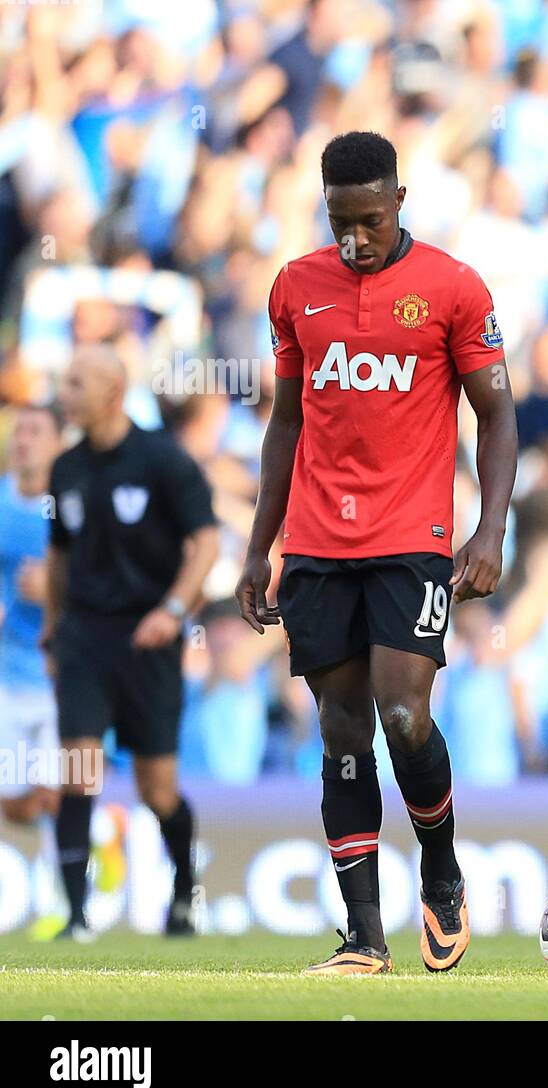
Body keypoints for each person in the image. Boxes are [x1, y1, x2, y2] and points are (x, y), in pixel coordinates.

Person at [235, 131, 518, 976]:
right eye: (338, 222)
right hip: (318, 543)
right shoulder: (295, 287)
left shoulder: (453, 288)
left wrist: (491, 529)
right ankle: (364, 937)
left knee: (404, 714)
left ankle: (440, 869)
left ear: (399, 201)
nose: (353, 239)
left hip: (413, 539)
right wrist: (259, 548)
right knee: (342, 729)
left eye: (367, 219)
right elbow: (286, 422)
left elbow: (497, 413)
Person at [43, 345, 220, 939]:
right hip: (85, 639)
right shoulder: (65, 468)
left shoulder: (164, 462)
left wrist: (173, 611)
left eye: (74, 383)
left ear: (112, 393)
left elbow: (206, 544)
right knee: (79, 769)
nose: (62, 393)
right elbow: (59, 557)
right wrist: (52, 628)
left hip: (149, 639)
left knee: (157, 789)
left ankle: (184, 892)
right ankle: (75, 915)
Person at [0, 404, 64, 926]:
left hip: (57, 676)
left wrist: (54, 592)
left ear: (58, 442)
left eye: (35, 430)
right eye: (18, 431)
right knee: (15, 801)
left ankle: (65, 907)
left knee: (55, 792)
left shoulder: (70, 507)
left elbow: (105, 579)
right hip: (4, 675)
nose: (23, 440)